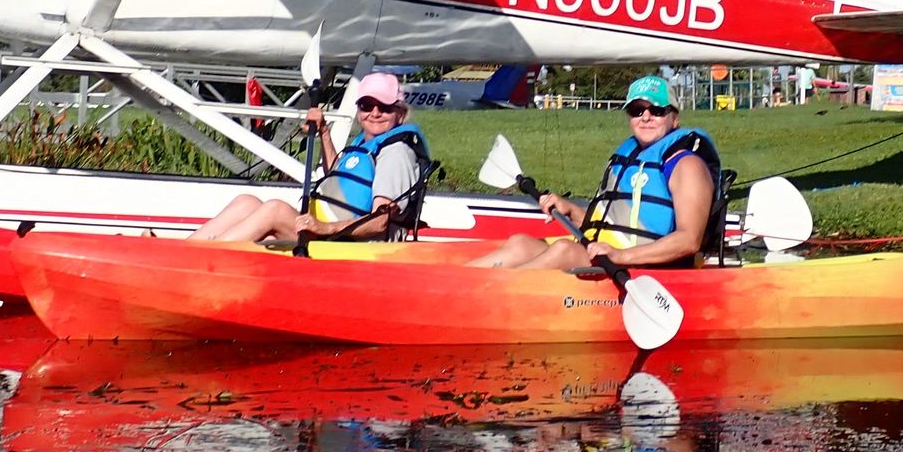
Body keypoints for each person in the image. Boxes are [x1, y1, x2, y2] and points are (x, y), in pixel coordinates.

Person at [472, 75, 719, 270]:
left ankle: (486, 296)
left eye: (656, 110)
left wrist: (620, 256)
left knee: (563, 251)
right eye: (636, 110)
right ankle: (453, 286)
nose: (645, 117)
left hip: (644, 266)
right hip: (603, 251)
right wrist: (572, 210)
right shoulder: (631, 154)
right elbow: (612, 224)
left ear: (674, 118)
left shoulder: (687, 166)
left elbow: (689, 240)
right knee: (520, 244)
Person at [193, 72, 427, 244]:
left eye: (384, 107)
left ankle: (207, 256)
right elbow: (339, 177)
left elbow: (380, 222)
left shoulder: (396, 153)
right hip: (329, 230)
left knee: (275, 210)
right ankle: (185, 250)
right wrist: (324, 132)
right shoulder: (366, 142)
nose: (374, 113)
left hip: (352, 244)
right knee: (247, 202)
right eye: (367, 105)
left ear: (400, 111)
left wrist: (323, 227)